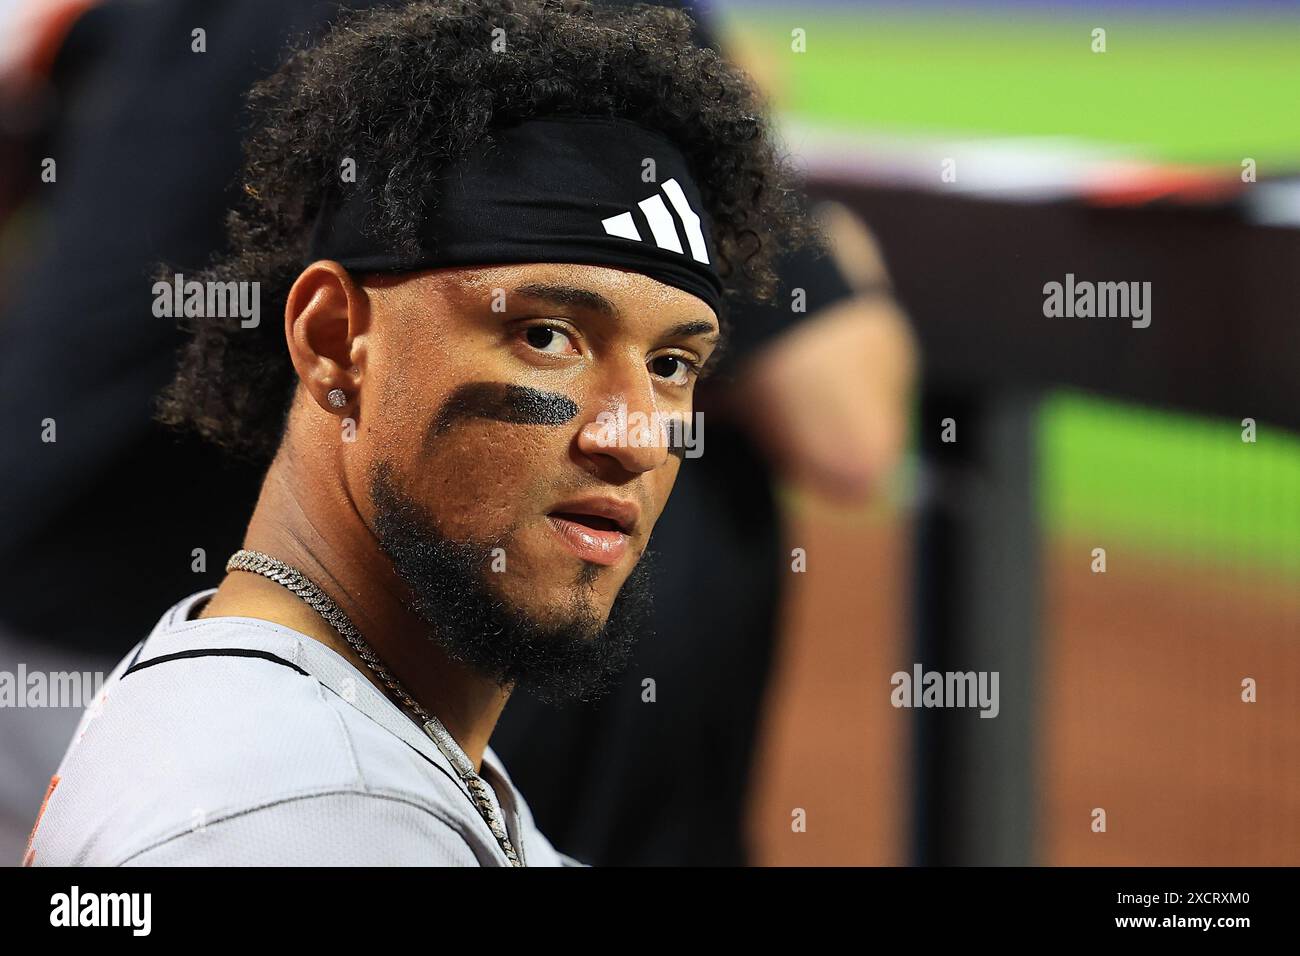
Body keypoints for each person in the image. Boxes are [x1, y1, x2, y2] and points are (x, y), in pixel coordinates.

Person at [22, 0, 818, 866]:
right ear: (334, 341)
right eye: (546, 337)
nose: (633, 436)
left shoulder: (324, 723)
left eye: (672, 365)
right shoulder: (304, 819)